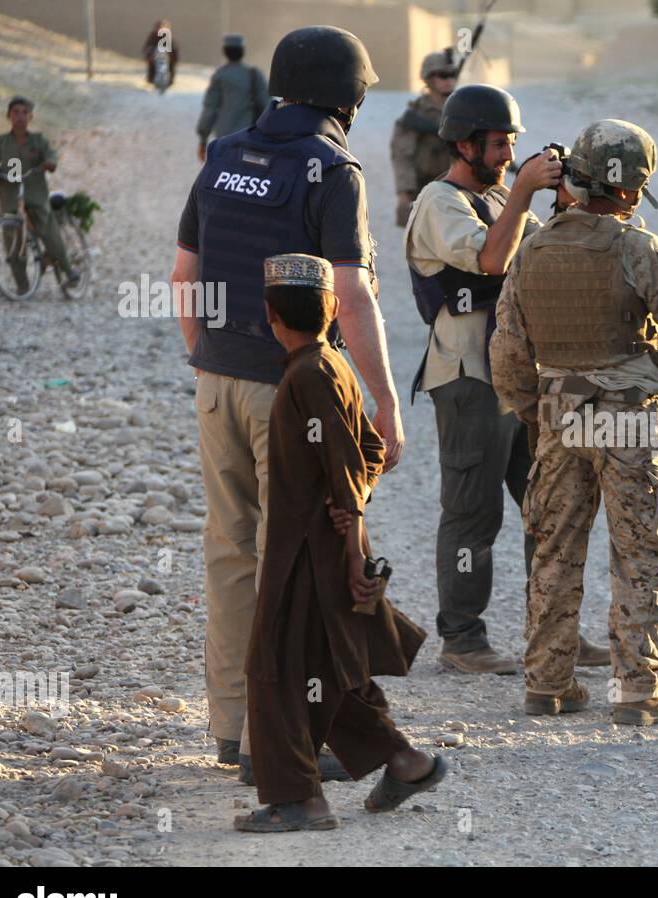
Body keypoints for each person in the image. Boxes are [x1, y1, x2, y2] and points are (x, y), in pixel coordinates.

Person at [170, 26, 403, 775]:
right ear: (351, 98)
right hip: (291, 392)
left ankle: (234, 731)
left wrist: (206, 360)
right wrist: (384, 403)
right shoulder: (333, 169)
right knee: (303, 561)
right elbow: (353, 295)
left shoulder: (225, 155)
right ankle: (293, 741)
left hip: (217, 380)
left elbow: (184, 276)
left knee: (232, 553)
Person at [490, 120, 658, 724]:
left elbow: (505, 351)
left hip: (560, 417)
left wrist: (533, 410)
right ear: (632, 191)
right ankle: (637, 692)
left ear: (576, 179)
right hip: (629, 421)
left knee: (554, 549)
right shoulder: (637, 247)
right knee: (640, 552)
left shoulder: (531, 249)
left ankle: (548, 684)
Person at [234, 253, 443, 833]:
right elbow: (369, 456)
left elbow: (347, 471)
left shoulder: (307, 375)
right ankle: (406, 762)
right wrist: (351, 512)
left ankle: (300, 800)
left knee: (272, 665)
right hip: (324, 544)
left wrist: (352, 554)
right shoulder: (334, 364)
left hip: (308, 554)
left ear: (272, 315)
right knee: (323, 664)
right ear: (330, 310)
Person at [406, 84, 608, 675]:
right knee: (473, 513)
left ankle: (555, 632)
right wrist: (521, 191)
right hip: (469, 376)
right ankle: (462, 640)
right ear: (465, 144)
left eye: (513, 144)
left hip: (522, 377)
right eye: (500, 144)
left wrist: (567, 201)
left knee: (548, 505)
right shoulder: (439, 203)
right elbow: (493, 262)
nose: (509, 154)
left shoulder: (500, 198)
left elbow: (540, 264)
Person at [0, 96, 79, 291]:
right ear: (8, 115)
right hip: (10, 195)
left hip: (35, 193)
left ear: (31, 117)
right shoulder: (1, 143)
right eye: (16, 112)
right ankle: (22, 285)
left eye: (25, 112)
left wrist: (50, 163)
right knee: (12, 240)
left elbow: (51, 155)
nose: (20, 116)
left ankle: (69, 271)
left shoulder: (38, 140)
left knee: (49, 232)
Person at [390, 49, 457, 227]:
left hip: (460, 188)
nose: (449, 80)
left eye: (453, 75)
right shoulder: (416, 116)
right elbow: (403, 156)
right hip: (427, 189)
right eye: (443, 75)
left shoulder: (461, 110)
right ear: (428, 79)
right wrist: (405, 195)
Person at [196, 34, 269, 161]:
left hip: (224, 138)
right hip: (251, 137)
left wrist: (203, 139)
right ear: (243, 51)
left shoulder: (220, 75)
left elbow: (210, 109)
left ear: (225, 52)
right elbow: (266, 106)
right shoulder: (254, 74)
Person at [143, 20, 178, 90]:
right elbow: (147, 48)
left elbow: (174, 49)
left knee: (169, 67)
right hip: (155, 58)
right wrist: (150, 54)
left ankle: (168, 81)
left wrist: (171, 55)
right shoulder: (152, 37)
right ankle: (152, 80)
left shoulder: (168, 37)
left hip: (166, 59)